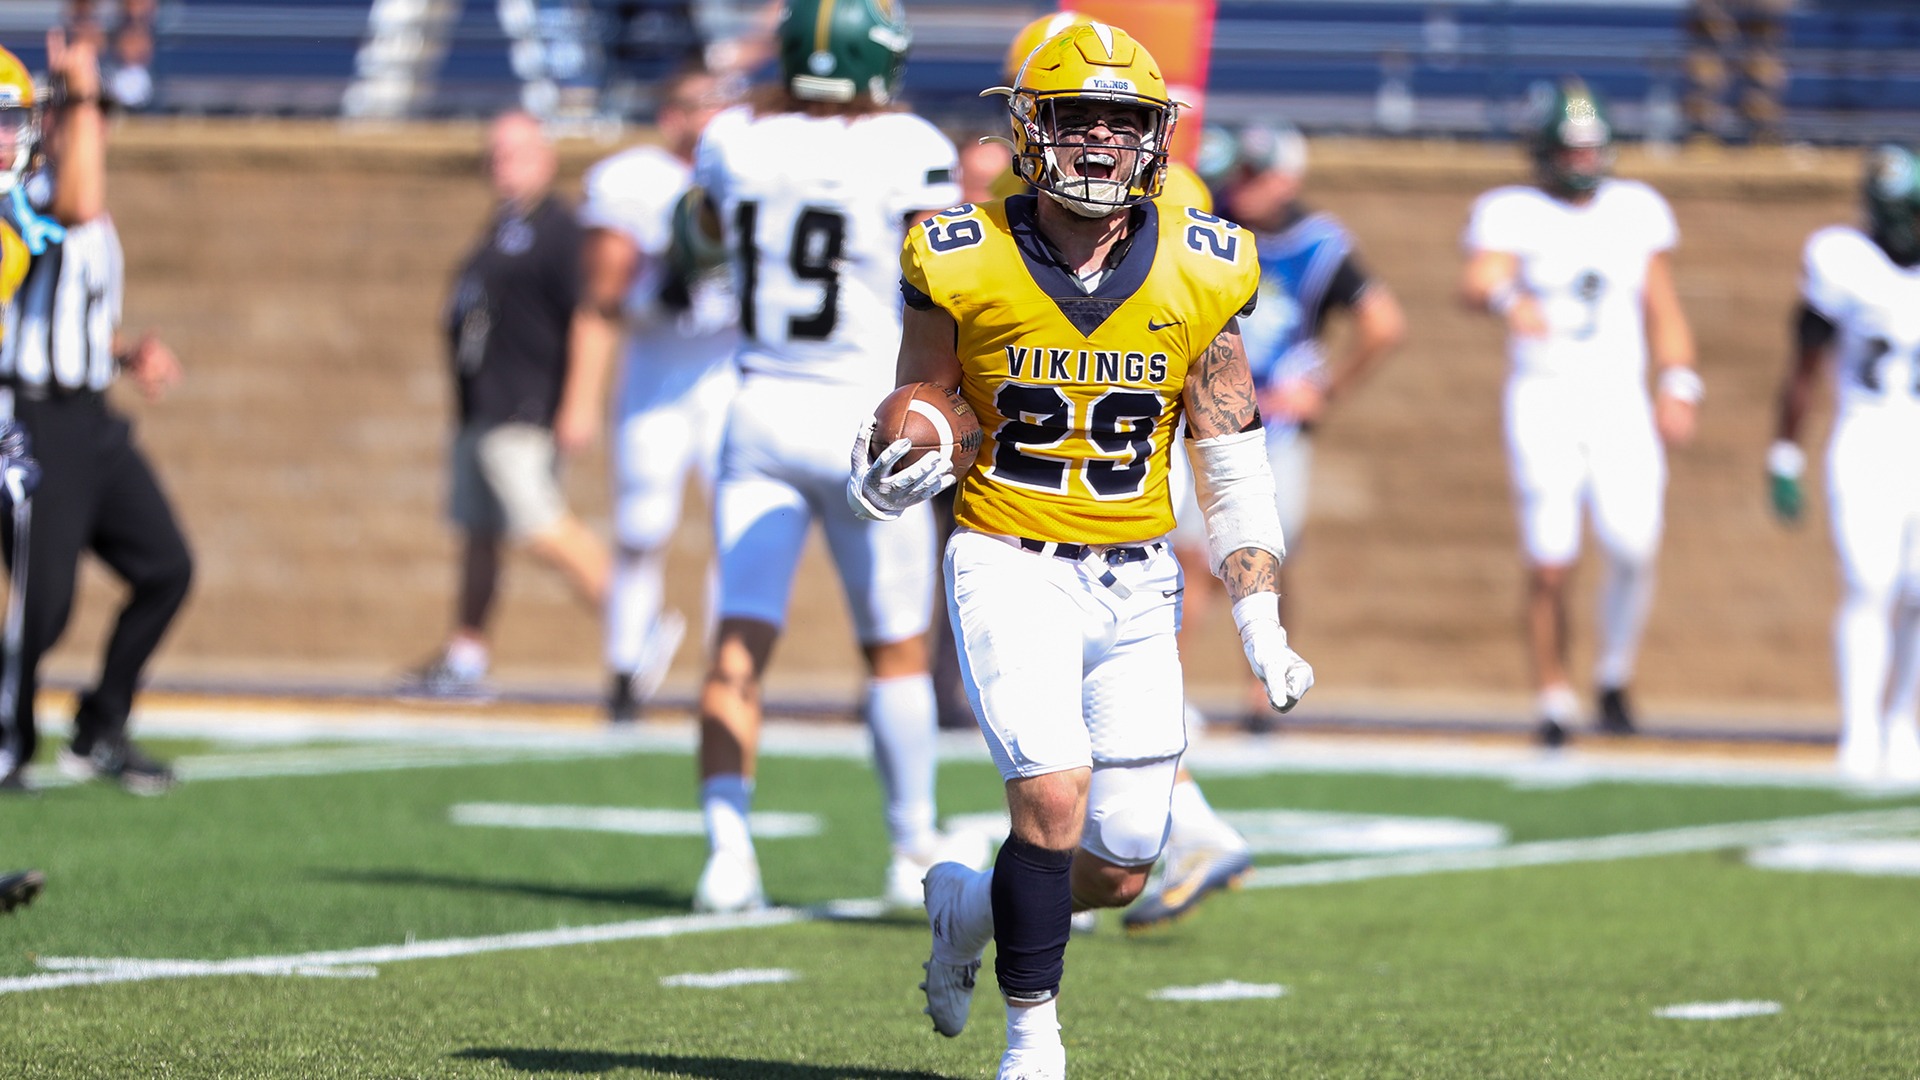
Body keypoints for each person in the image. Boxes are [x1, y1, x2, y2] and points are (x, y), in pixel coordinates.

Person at [848, 23, 1313, 1079]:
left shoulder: (1203, 262)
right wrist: (892, 455)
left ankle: (967, 905)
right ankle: (1032, 1041)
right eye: (1075, 115)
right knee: (1050, 801)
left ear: (1156, 140)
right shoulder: (962, 254)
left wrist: (1258, 614)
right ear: (1029, 126)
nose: (1100, 139)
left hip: (1139, 576)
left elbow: (1230, 454)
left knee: (1117, 866)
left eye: (1124, 120)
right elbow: (925, 397)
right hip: (1008, 556)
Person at [685, 0, 980, 913]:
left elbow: (696, 241)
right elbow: (953, 270)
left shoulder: (733, 139)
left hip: (760, 406)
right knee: (893, 649)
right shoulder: (909, 147)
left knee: (739, 642)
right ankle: (906, 846)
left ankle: (728, 853)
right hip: (866, 412)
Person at [1125, 119, 1405, 933]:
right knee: (1188, 566)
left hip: (1249, 423)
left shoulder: (1300, 245)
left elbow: (1381, 322)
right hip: (1199, 422)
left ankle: (1238, 702)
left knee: (1240, 558)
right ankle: (1175, 728)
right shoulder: (1213, 232)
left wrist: (1324, 389)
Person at [1461, 78, 1699, 747]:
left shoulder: (1635, 209)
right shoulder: (1512, 210)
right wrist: (1511, 300)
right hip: (1545, 397)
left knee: (1633, 543)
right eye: (1572, 148)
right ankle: (1554, 697)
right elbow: (1479, 277)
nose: (1586, 161)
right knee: (1551, 556)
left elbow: (1663, 306)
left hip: (1618, 398)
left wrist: (1680, 380)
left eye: (1592, 148)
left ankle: (1614, 672)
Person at [0, 31, 189, 795]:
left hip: (92, 418)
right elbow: (70, 203)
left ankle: (101, 725)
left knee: (166, 567)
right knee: (41, 610)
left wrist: (126, 351)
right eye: (82, 112)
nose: (95, 123)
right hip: (33, 418)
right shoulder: (33, 192)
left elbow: (71, 315)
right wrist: (73, 85)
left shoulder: (93, 212)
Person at [401, 111, 610, 701]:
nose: (502, 164)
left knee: (540, 523)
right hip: (480, 405)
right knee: (478, 534)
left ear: (545, 158)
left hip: (524, 405)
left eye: (515, 153)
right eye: (494, 153)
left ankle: (633, 623)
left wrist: (579, 403)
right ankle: (466, 653)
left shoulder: (559, 230)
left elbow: (591, 316)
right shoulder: (502, 225)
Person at [574, 67, 737, 723]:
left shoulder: (753, 168)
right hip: (659, 362)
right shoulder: (632, 177)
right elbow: (604, 288)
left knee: (736, 525)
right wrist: (656, 277)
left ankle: (724, 670)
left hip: (730, 361)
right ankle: (623, 669)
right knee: (641, 525)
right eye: (696, 106)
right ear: (669, 113)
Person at [1768, 145, 1920, 783]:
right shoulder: (1841, 259)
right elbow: (1805, 361)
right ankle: (1859, 732)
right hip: (1864, 434)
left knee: (1918, 591)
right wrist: (1785, 451)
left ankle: (1903, 725)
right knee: (1868, 583)